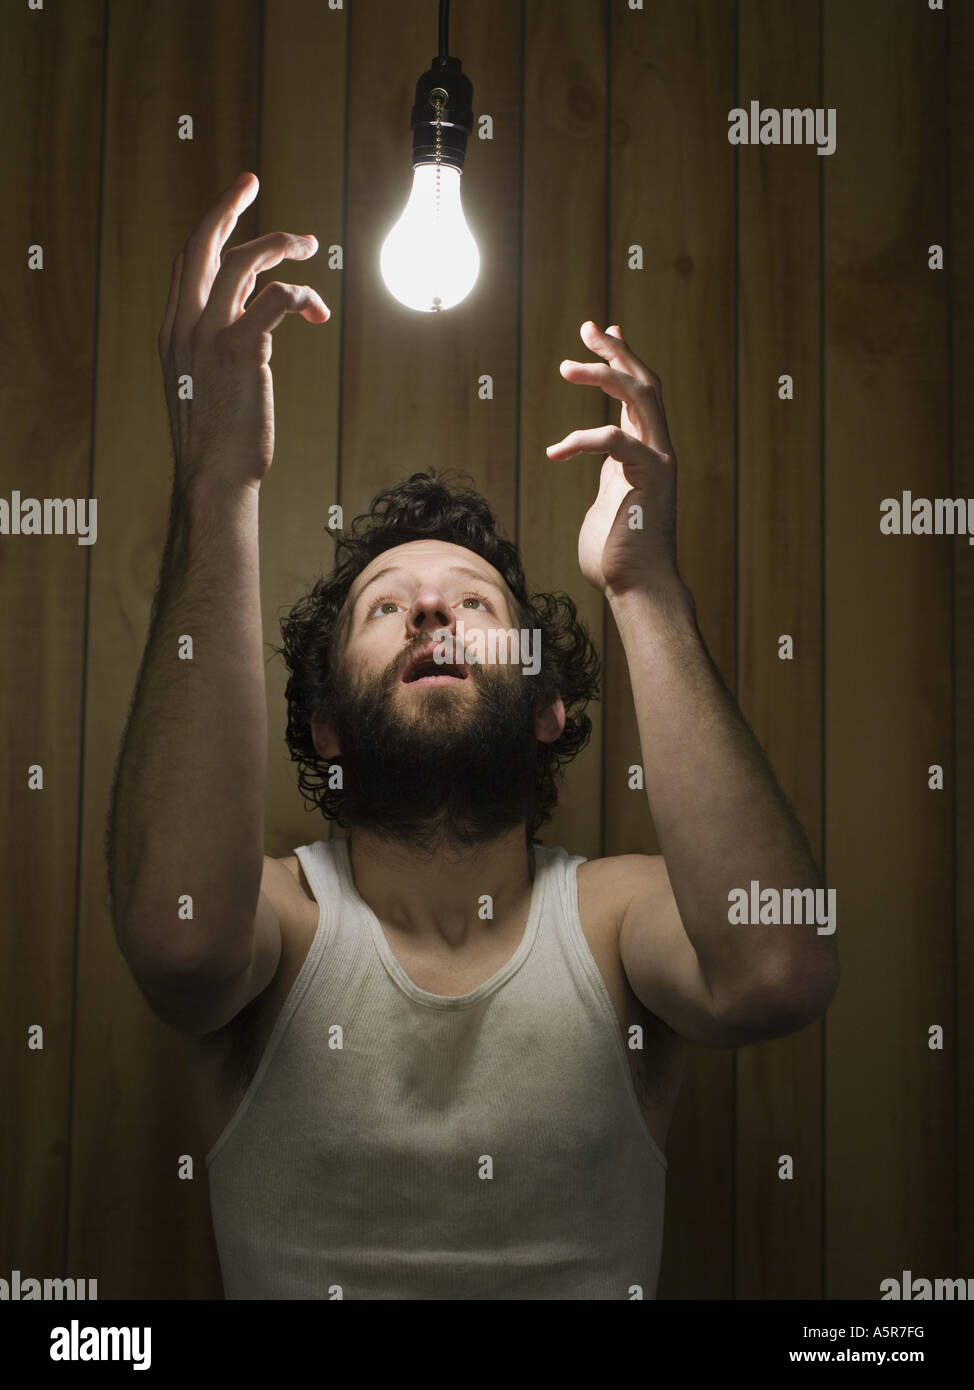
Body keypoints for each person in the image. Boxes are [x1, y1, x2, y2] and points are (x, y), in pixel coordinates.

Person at [106, 171, 838, 1301]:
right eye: (386, 606)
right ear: (324, 722)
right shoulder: (277, 925)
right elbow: (179, 946)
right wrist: (216, 480)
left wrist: (641, 586)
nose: (435, 610)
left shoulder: (614, 918)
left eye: (476, 606)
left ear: (546, 709)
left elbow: (776, 969)